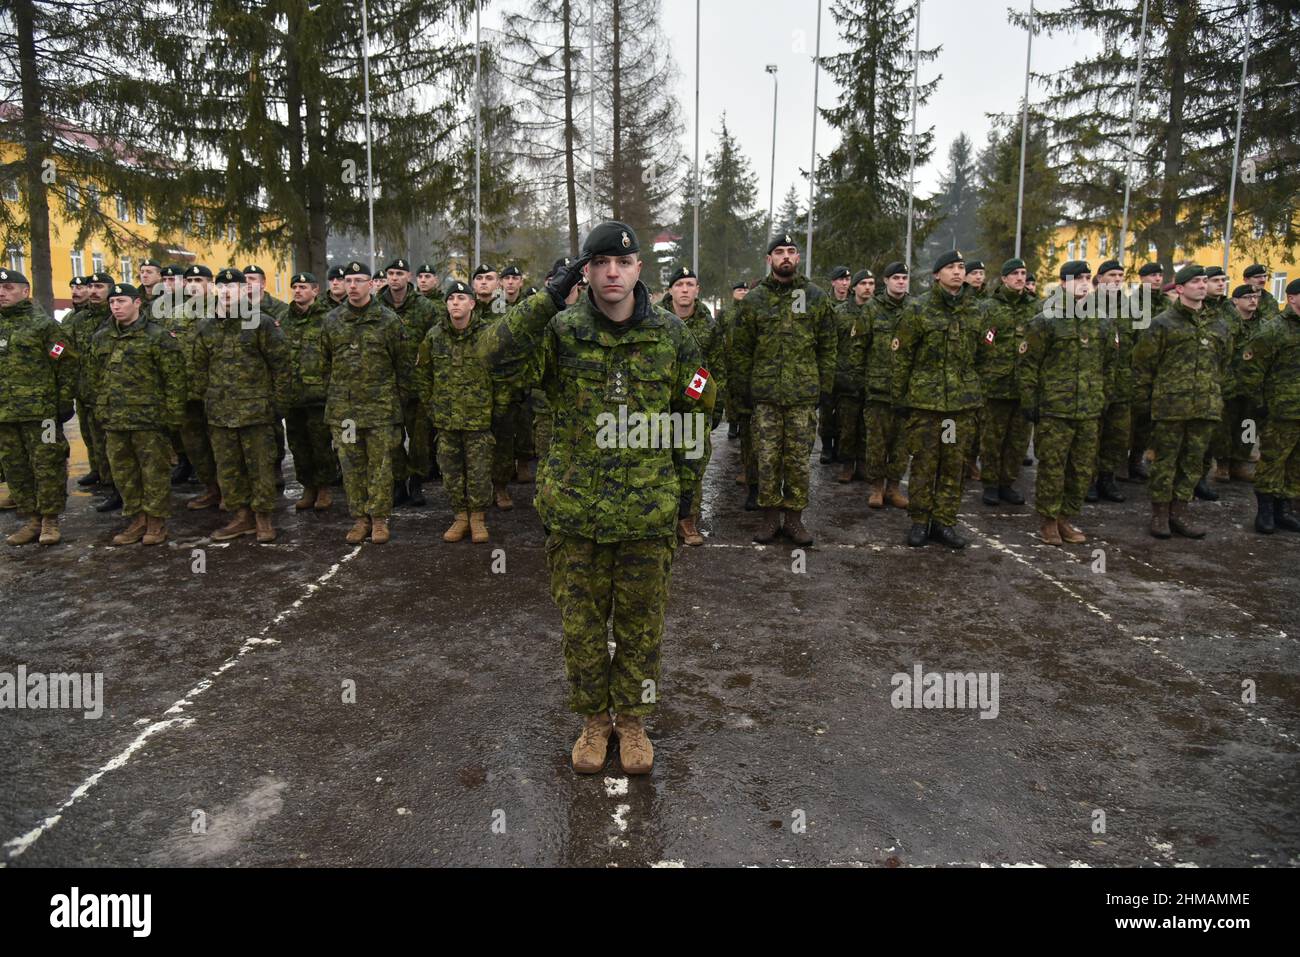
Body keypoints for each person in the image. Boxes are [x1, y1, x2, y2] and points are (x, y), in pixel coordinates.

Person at [479, 221, 711, 776]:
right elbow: (494, 358)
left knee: (640, 625)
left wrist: (683, 494)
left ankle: (631, 721)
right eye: (600, 261)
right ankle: (593, 721)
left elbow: (697, 409)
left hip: (646, 514)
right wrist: (547, 298)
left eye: (622, 263)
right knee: (581, 627)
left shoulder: (673, 338)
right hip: (575, 514)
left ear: (638, 270)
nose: (612, 271)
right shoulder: (560, 332)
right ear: (586, 270)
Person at [731, 235, 836, 546]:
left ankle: (794, 520)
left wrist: (824, 387)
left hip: (803, 397)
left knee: (798, 460)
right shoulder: (754, 300)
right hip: (765, 397)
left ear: (798, 258)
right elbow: (741, 350)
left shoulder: (815, 297)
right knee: (766, 459)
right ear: (769, 259)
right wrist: (743, 391)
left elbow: (828, 346)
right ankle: (769, 518)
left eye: (791, 251)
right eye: (779, 252)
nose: (786, 257)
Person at [890, 250, 983, 549]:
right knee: (924, 464)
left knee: (953, 466)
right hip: (926, 404)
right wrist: (900, 397)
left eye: (960, 267)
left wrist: (974, 391)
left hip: (959, 407)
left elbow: (985, 357)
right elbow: (901, 356)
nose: (957, 272)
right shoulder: (918, 310)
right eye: (950, 267)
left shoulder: (976, 312)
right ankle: (920, 521)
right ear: (936, 275)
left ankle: (944, 521)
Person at [1132, 265, 1233, 539]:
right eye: (1196, 281)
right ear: (1180, 288)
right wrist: (1144, 406)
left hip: (1205, 406)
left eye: (1204, 281)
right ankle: (1160, 514)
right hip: (1170, 407)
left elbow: (1223, 364)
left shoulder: (1219, 324)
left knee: (1193, 462)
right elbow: (1143, 367)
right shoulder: (1162, 323)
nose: (1202, 285)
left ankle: (1180, 511)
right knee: (1165, 462)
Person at [1019, 261, 1115, 545]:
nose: (1083, 283)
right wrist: (1030, 401)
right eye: (1077, 278)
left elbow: (1110, 364)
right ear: (1062, 283)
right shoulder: (1045, 320)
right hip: (1054, 408)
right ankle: (1049, 521)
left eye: (1087, 278)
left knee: (1082, 467)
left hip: (1088, 408)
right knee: (1052, 466)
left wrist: (1104, 397)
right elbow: (1028, 365)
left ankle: (1066, 517)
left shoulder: (1102, 321)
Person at [192, 268, 290, 543]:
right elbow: (199, 368)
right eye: (221, 287)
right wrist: (209, 398)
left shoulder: (261, 323)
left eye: (232, 287)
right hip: (220, 413)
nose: (225, 292)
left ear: (243, 290)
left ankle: (263, 518)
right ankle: (241, 516)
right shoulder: (206, 325)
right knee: (229, 468)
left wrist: (278, 406)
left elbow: (281, 366)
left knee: (260, 467)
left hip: (257, 411)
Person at [91, 283, 186, 546]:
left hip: (149, 419)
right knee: (124, 472)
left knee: (153, 472)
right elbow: (95, 376)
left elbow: (174, 379)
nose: (116, 307)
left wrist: (173, 417)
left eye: (121, 301)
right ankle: (136, 518)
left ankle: (156, 522)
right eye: (112, 303)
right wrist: (100, 408)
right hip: (115, 419)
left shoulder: (157, 336)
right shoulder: (102, 337)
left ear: (137, 303)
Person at [321, 261, 408, 544]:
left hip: (381, 410)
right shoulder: (332, 321)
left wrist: (399, 404)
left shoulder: (388, 321)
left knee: (381, 467)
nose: (354, 286)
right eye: (349, 281)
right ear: (344, 285)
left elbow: (402, 366)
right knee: (351, 466)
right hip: (345, 412)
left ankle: (380, 519)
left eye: (360, 280)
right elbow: (323, 364)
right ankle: (360, 518)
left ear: (372, 284)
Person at [414, 280, 495, 544]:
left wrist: (497, 407)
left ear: (472, 303)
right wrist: (433, 406)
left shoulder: (487, 334)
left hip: (478, 419)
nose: (456, 303)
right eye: (451, 299)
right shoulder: (434, 336)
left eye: (462, 298)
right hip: (446, 419)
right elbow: (424, 376)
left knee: (479, 471)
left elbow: (502, 373)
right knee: (451, 471)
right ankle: (460, 516)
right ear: (446, 304)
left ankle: (478, 518)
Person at [0, 268, 75, 546]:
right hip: (6, 415)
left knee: (47, 465)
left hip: (41, 413)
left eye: (8, 288)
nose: (1, 293)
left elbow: (65, 363)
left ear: (24, 291)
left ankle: (50, 521)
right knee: (16, 468)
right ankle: (31, 520)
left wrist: (64, 401)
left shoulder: (43, 326)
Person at [664, 265, 725, 545]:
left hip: (695, 406)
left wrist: (713, 405)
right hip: (660, 402)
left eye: (690, 284)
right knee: (660, 462)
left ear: (697, 290)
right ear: (671, 290)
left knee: (692, 463)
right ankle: (661, 519)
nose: (685, 290)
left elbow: (713, 368)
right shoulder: (656, 319)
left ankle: (687, 521)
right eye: (680, 285)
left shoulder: (708, 324)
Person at [1239, 277, 1300, 533]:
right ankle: (1265, 511)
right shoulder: (1274, 329)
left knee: (1296, 463)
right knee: (1273, 460)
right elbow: (1251, 370)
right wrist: (1260, 404)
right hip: (1280, 410)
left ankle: (1284, 509)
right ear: (1292, 297)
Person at [975, 258, 1035, 507]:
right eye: (1015, 274)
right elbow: (980, 345)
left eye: (1023, 273)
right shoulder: (989, 307)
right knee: (993, 439)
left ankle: (1007, 483)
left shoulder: (1035, 307)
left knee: (1018, 441)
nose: (1020, 277)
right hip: (996, 386)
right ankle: (990, 484)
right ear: (1004, 279)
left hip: (1024, 387)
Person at [379, 257, 436, 507]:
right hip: (386, 387)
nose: (394, 278)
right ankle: (398, 481)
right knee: (391, 441)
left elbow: (435, 341)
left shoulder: (424, 307)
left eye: (399, 273)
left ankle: (416, 483)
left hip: (417, 386)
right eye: (391, 273)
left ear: (409, 277)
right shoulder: (377, 306)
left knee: (420, 442)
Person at [859, 262, 912, 509]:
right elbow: (858, 349)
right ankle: (876, 488)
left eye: (904, 278)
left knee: (901, 445)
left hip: (907, 392)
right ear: (886, 281)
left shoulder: (915, 309)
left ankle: (894, 488)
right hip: (877, 390)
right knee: (877, 444)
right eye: (896, 278)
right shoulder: (871, 309)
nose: (901, 282)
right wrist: (861, 384)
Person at [281, 272, 336, 511]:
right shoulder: (283, 319)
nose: (297, 291)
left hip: (319, 396)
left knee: (320, 445)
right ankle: (308, 487)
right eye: (294, 287)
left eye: (303, 287)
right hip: (292, 396)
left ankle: (324, 488)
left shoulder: (329, 319)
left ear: (315, 291)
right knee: (298, 446)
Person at [832, 269, 872, 483]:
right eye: (863, 283)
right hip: (846, 378)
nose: (867, 287)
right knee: (847, 426)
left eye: (871, 283)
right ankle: (847, 465)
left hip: (871, 378)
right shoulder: (840, 312)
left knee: (867, 426)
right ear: (854, 287)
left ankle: (864, 464)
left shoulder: (877, 312)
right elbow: (831, 344)